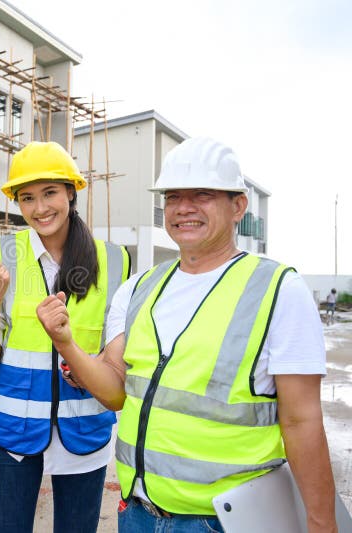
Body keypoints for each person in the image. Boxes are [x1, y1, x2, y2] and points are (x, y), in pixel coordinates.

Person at [37, 137, 338, 533]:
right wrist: (66, 343)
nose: (183, 208)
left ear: (238, 207)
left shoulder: (279, 290)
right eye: (173, 196)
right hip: (138, 514)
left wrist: (321, 523)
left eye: (202, 194)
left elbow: (301, 420)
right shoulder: (140, 287)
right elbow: (113, 392)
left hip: (224, 521)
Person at [0, 141, 130, 533]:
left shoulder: (113, 261)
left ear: (71, 193)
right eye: (27, 198)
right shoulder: (0, 255)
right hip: (12, 431)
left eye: (50, 193)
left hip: (84, 430)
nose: (40, 208)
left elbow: (117, 367)